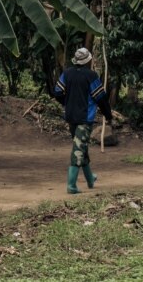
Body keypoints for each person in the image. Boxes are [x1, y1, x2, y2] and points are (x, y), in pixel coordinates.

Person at [53, 47, 113, 194]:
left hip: (71, 117)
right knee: (78, 151)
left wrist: (67, 103)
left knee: (81, 147)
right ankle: (71, 186)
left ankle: (90, 179)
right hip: (85, 119)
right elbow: (101, 99)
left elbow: (58, 92)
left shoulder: (67, 73)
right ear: (88, 60)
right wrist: (108, 115)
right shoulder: (91, 76)